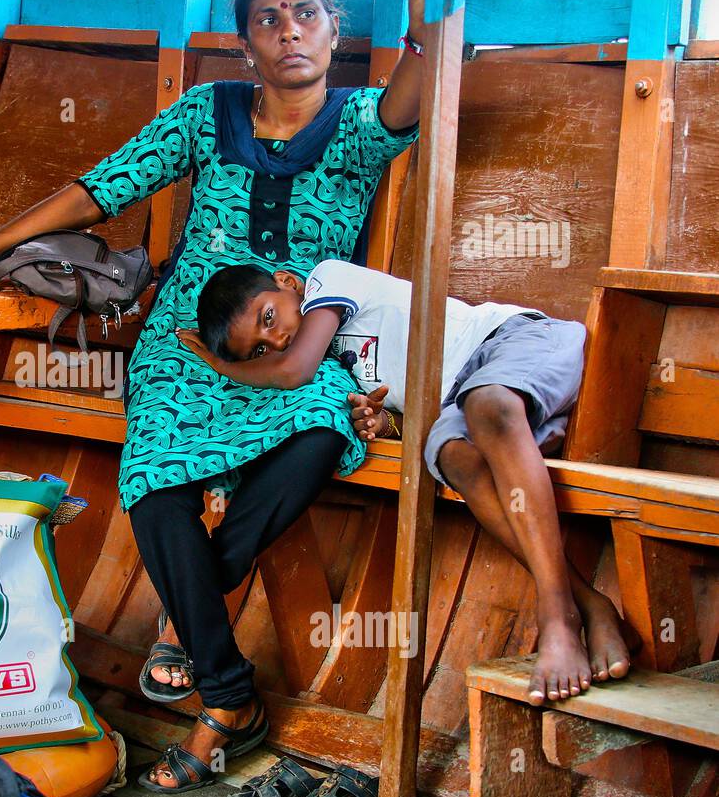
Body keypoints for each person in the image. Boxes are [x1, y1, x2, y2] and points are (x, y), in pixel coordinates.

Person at [0, 0, 438, 793]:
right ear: (244, 44)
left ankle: (196, 622)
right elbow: (97, 191)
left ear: (335, 28)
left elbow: (411, 94)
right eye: (267, 20)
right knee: (155, 478)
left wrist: (426, 24)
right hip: (186, 345)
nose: (289, 32)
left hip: (296, 345)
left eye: (307, 15)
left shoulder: (361, 124)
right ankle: (231, 696)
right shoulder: (205, 114)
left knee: (326, 426)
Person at [179, 259, 634, 706]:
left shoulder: (329, 280)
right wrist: (383, 421)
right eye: (260, 349)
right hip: (465, 402)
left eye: (269, 317)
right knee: (453, 455)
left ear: (286, 282)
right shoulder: (332, 368)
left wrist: (227, 368)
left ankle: (557, 615)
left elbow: (292, 370)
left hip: (516, 343)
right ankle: (590, 603)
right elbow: (400, 408)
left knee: (487, 404)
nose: (276, 339)